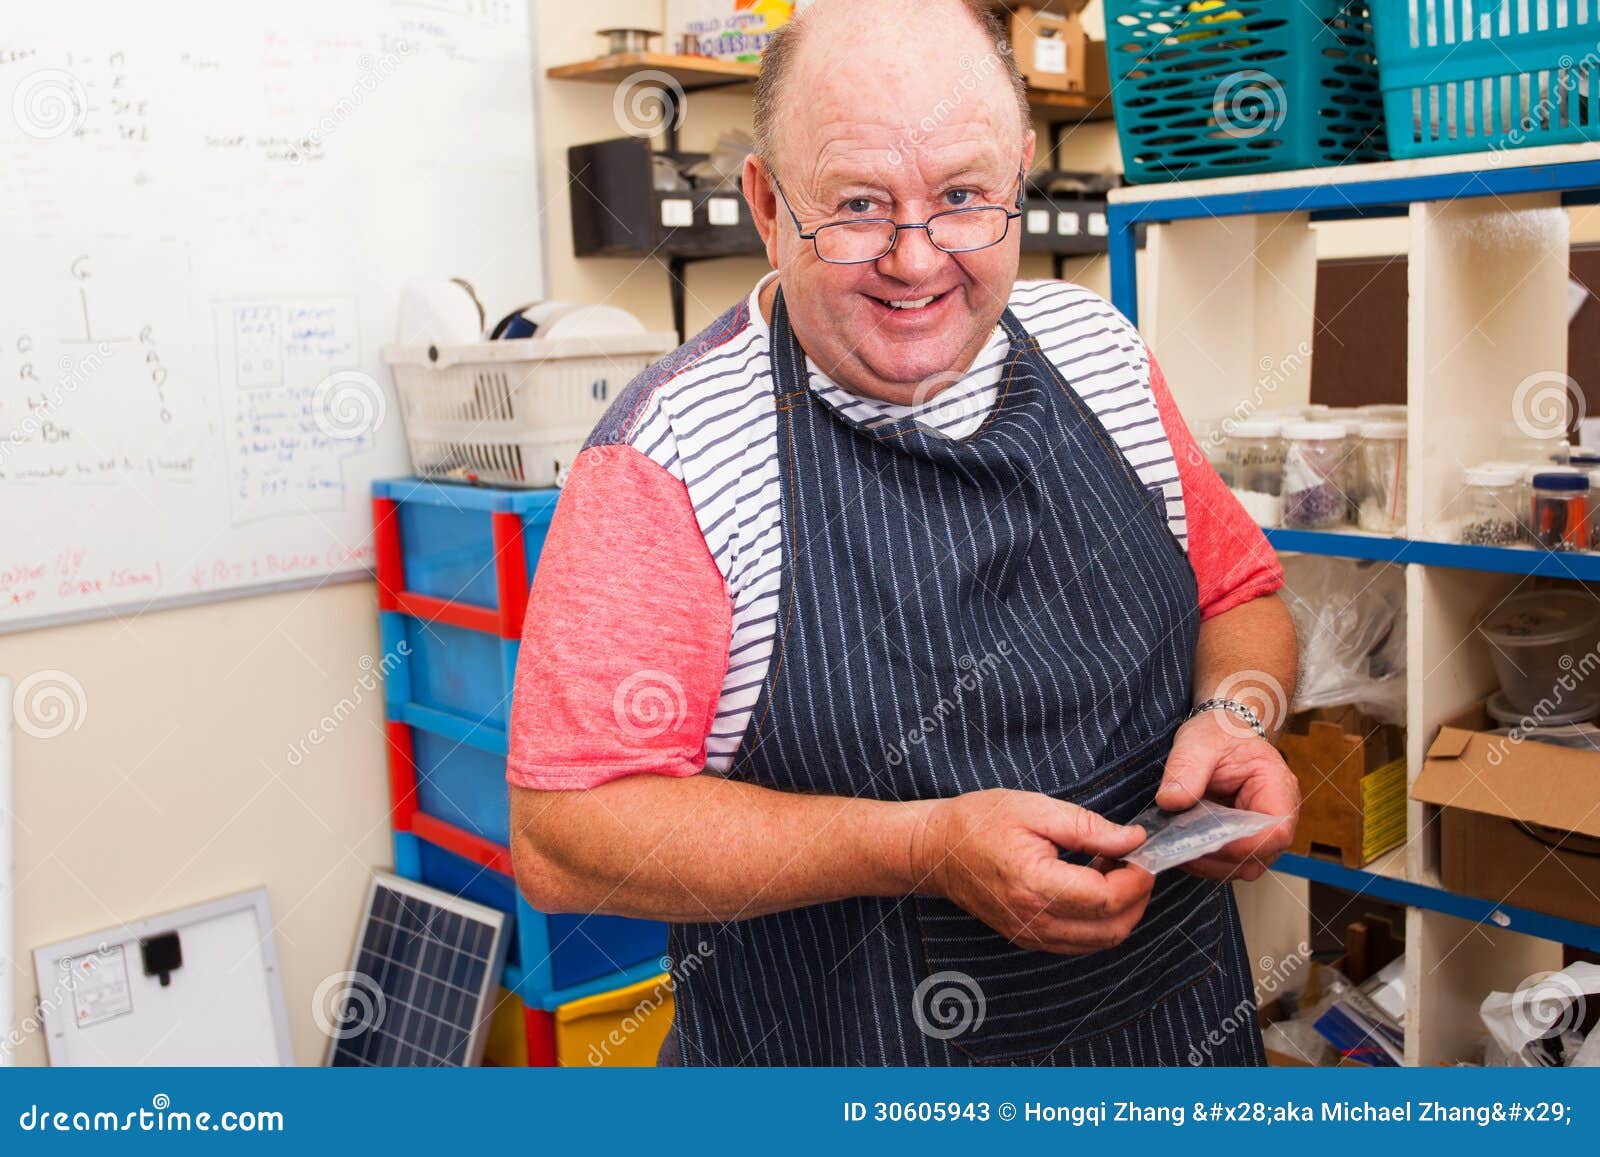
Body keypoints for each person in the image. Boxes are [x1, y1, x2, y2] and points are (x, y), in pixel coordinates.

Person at [506, 0, 1300, 1066]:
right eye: (859, 206)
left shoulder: (1100, 349)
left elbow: (1239, 595)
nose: (916, 261)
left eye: (963, 198)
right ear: (766, 203)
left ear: (1020, 176)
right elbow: (565, 836)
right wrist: (922, 846)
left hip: (1175, 1040)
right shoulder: (672, 455)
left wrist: (1236, 714)